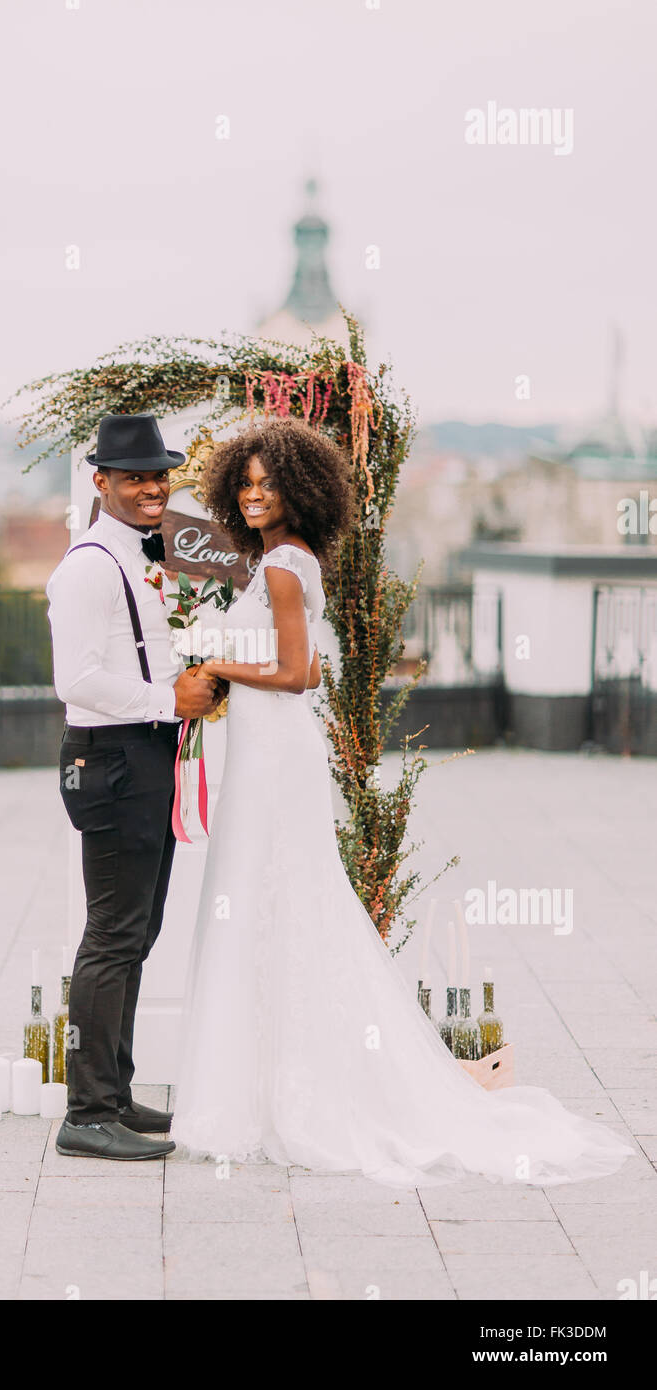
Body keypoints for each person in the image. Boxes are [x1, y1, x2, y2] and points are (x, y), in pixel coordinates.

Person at [171, 416, 634, 1188]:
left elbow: (296, 673)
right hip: (268, 752)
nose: (253, 493)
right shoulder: (284, 560)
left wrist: (213, 659)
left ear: (298, 490)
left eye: (267, 482)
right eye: (244, 482)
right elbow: (304, 670)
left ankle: (266, 1098)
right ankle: (269, 1089)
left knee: (268, 898)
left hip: (274, 756)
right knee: (271, 902)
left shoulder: (284, 564)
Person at [46, 412, 223, 1161]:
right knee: (112, 936)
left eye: (159, 475)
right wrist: (167, 701)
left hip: (142, 756)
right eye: (135, 477)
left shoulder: (139, 555)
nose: (152, 487)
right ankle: (86, 1113)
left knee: (137, 932)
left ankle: (114, 1093)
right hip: (109, 758)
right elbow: (76, 680)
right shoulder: (88, 565)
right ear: (102, 483)